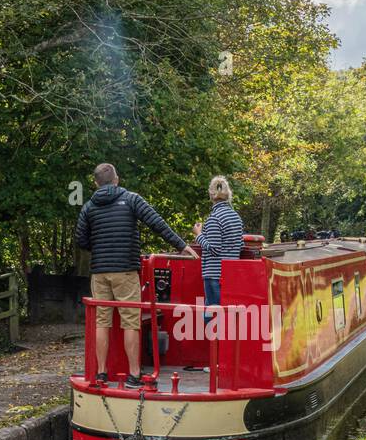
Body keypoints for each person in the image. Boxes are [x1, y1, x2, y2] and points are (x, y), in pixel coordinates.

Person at [74, 163, 195, 387]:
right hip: (126, 271)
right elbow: (156, 222)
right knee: (131, 322)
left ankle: (101, 374)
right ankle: (134, 374)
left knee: (102, 321)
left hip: (100, 272)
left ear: (96, 183)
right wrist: (181, 246)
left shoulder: (89, 207)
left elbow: (81, 240)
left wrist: (101, 247)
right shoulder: (131, 199)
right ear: (116, 179)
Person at [193, 176, 245, 321]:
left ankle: (213, 343)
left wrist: (198, 235)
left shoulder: (214, 218)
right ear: (228, 194)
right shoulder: (236, 217)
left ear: (211, 195)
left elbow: (214, 249)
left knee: (211, 316)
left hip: (214, 275)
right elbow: (240, 246)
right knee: (227, 316)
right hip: (230, 274)